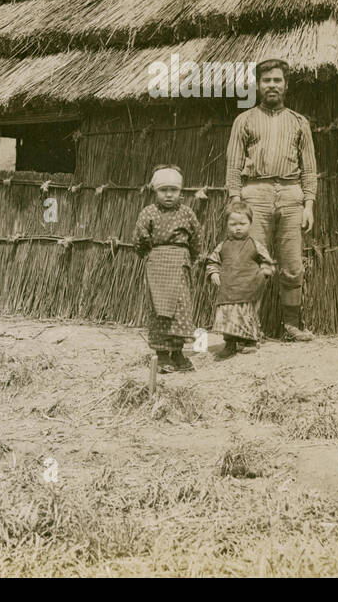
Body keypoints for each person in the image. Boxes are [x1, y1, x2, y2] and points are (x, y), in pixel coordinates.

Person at [224, 58, 318, 342]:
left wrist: (308, 204)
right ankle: (247, 330)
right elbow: (233, 166)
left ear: (286, 85)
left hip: (291, 194)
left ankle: (291, 326)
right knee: (253, 263)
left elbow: (310, 168)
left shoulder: (299, 122)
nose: (272, 85)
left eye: (277, 80)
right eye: (266, 81)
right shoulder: (244, 120)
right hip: (256, 194)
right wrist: (236, 202)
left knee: (291, 265)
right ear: (257, 86)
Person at [133, 164, 204, 373]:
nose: (169, 195)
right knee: (159, 309)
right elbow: (139, 240)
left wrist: (190, 258)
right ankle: (163, 354)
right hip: (157, 265)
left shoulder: (187, 214)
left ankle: (178, 353)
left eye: (174, 190)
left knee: (180, 308)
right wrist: (150, 255)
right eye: (164, 190)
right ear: (155, 191)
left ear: (180, 191)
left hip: (180, 263)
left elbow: (197, 239)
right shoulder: (148, 213)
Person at [205, 200, 276, 357]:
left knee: (246, 314)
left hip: (248, 288)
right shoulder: (222, 246)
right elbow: (212, 261)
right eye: (233, 224)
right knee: (228, 315)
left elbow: (267, 261)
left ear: (250, 223)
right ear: (227, 225)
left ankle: (249, 341)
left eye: (242, 223)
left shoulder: (255, 245)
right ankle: (230, 343)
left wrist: (263, 274)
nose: (237, 227)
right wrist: (214, 273)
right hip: (228, 289)